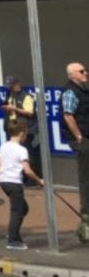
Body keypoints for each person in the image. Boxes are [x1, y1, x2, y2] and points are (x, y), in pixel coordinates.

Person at [0, 120, 43, 251]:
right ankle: (13, 239)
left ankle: (13, 233)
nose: (26, 135)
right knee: (17, 211)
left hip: (4, 182)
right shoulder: (22, 150)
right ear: (21, 133)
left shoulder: (4, 146)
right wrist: (39, 180)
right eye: (26, 133)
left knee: (23, 208)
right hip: (15, 183)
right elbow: (27, 170)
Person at [61, 61, 89, 244]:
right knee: (86, 178)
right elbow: (68, 114)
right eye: (81, 71)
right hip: (83, 140)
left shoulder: (84, 90)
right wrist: (78, 136)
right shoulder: (70, 92)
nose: (85, 72)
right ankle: (85, 223)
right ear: (72, 75)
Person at [1, 74, 41, 182]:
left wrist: (14, 108)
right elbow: (5, 105)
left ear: (17, 84)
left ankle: (32, 179)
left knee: (27, 152)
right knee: (14, 152)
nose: (9, 88)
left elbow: (29, 112)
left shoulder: (26, 96)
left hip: (24, 129)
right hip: (13, 126)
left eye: (11, 85)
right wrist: (6, 108)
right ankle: (20, 177)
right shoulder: (9, 94)